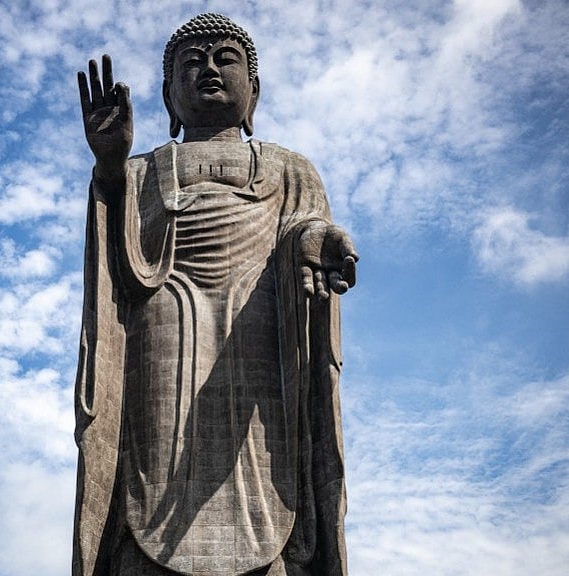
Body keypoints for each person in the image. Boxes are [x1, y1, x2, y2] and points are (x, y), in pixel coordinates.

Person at [73, 13, 357, 576]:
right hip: (165, 317)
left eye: (224, 58)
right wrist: (109, 166)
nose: (207, 69)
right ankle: (140, 553)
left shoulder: (289, 168)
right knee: (155, 455)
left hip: (258, 321)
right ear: (167, 96)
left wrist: (318, 240)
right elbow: (121, 275)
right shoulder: (139, 169)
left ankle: (269, 554)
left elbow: (305, 227)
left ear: (254, 89)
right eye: (190, 63)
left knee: (261, 453)